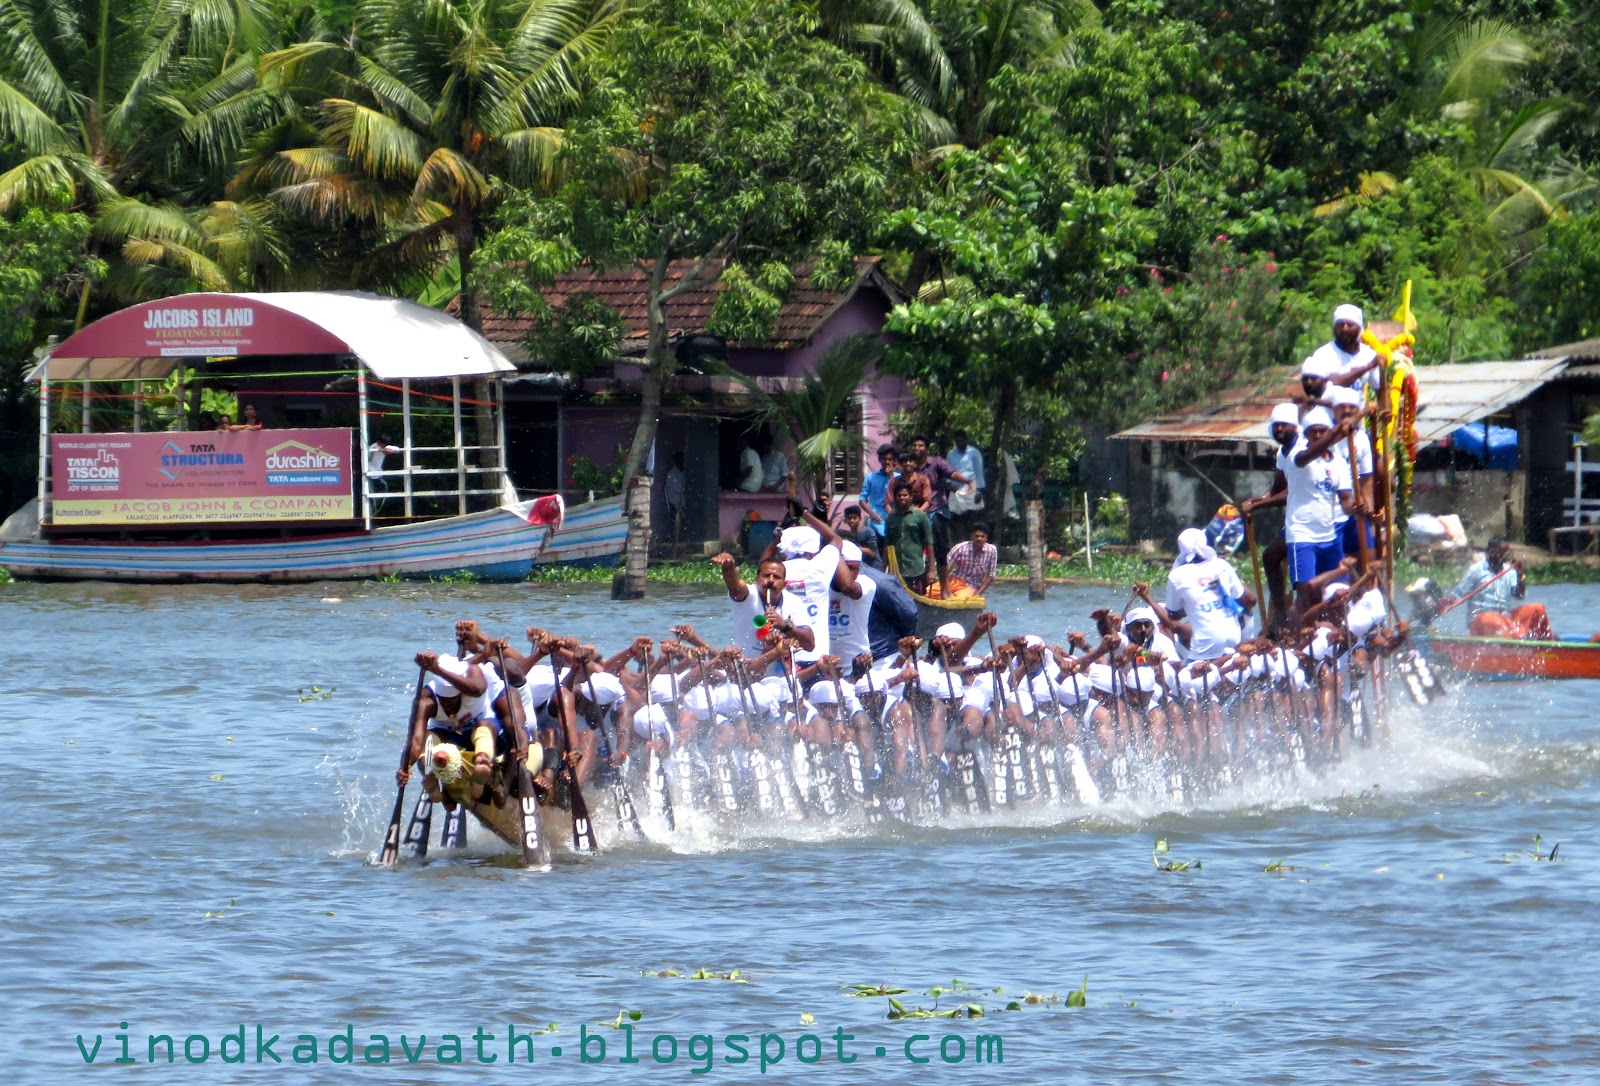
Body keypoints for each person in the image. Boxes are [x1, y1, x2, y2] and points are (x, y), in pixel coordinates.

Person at [1243, 406, 1354, 616]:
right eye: (1275, 426)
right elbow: (1278, 490)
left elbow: (1288, 493)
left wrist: (1258, 505)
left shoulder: (1306, 451)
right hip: (1301, 527)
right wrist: (1254, 502)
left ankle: (1320, 623)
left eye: (1284, 425)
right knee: (1272, 557)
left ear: (1297, 428)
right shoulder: (1286, 454)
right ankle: (1281, 612)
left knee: (1327, 587)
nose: (1279, 430)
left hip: (1325, 524)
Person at [1162, 527, 1253, 660]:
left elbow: (1173, 614)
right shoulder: (1222, 565)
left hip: (1205, 643)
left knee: (1190, 678)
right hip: (1234, 637)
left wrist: (1192, 605)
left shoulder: (1176, 575)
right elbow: (1241, 598)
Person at [1442, 538, 1553, 640]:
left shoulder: (1510, 572)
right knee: (1495, 620)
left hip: (1504, 619)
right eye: (1501, 551)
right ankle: (1514, 646)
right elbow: (1458, 594)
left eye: (1506, 551)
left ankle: (1550, 647)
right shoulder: (1476, 570)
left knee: (1538, 609)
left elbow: (1520, 595)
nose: (1504, 555)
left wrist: (1520, 576)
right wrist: (1444, 602)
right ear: (1491, 551)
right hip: (1481, 619)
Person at [902, 435, 972, 598]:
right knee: (914, 550)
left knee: (940, 548)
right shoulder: (909, 468)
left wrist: (967, 481)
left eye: (921, 445)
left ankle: (945, 589)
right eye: (915, 445)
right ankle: (919, 588)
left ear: (926, 448)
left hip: (936, 509)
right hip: (915, 513)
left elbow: (952, 473)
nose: (917, 448)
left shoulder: (936, 462)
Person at [1307, 303, 1383, 396]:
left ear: (1360, 329)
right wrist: (1368, 366)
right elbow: (1334, 383)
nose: (1345, 329)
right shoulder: (1323, 354)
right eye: (1340, 324)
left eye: (1350, 325)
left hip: (1359, 410)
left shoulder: (1368, 355)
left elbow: (1380, 390)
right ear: (1334, 328)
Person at [884, 479, 935, 593]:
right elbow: (887, 545)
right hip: (896, 571)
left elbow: (929, 543)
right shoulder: (891, 518)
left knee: (917, 603)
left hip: (916, 570)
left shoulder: (921, 516)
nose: (902, 498)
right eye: (899, 495)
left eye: (905, 495)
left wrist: (931, 570)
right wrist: (883, 570)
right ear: (895, 497)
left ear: (911, 497)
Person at [944, 522, 998, 596]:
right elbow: (945, 568)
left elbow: (991, 575)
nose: (979, 539)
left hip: (972, 586)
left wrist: (978, 594)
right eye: (977, 536)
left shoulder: (992, 550)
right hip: (954, 581)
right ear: (972, 536)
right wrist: (947, 591)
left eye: (982, 536)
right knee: (928, 592)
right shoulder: (960, 548)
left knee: (960, 598)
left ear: (986, 538)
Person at [858, 444, 899, 538]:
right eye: (884, 459)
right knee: (875, 551)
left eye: (890, 459)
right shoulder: (870, 477)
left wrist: (890, 476)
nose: (887, 462)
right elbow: (862, 500)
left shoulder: (898, 478)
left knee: (891, 551)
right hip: (875, 522)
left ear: (894, 461)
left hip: (893, 521)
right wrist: (872, 514)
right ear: (879, 460)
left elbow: (900, 495)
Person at [839, 504, 881, 568]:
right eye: (849, 518)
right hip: (860, 568)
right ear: (845, 520)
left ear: (860, 519)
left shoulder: (868, 532)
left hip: (874, 567)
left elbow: (872, 553)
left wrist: (852, 546)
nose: (852, 521)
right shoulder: (847, 535)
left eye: (854, 518)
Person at [367, 437, 402, 514]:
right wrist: (380, 450)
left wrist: (382, 450)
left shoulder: (383, 447)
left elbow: (396, 450)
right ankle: (372, 508)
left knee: (382, 489)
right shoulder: (373, 447)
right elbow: (370, 455)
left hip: (377, 473)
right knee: (381, 488)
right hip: (371, 473)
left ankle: (374, 508)